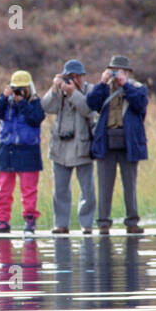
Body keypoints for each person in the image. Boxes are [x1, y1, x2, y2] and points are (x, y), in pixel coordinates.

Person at [86, 54, 147, 234]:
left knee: (130, 185)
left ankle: (132, 222)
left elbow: (140, 104)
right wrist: (102, 83)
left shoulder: (137, 87)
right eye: (113, 70)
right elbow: (91, 103)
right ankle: (103, 223)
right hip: (106, 142)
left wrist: (124, 85)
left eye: (120, 71)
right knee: (104, 186)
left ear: (128, 72)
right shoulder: (103, 88)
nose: (116, 74)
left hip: (129, 143)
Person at [41, 59, 98, 234]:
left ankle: (87, 224)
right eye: (70, 76)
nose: (74, 80)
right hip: (60, 148)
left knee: (87, 190)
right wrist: (54, 89)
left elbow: (89, 109)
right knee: (60, 190)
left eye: (77, 76)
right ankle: (61, 224)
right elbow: (46, 107)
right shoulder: (60, 91)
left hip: (82, 147)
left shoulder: (90, 90)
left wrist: (73, 93)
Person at [0, 69, 44, 234]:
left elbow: (35, 119)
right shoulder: (6, 103)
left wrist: (22, 103)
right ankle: (2, 221)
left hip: (29, 151)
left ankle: (29, 221)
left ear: (29, 88)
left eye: (22, 89)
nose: (19, 92)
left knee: (29, 190)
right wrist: (4, 97)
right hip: (7, 150)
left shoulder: (35, 104)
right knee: (3, 189)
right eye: (16, 88)